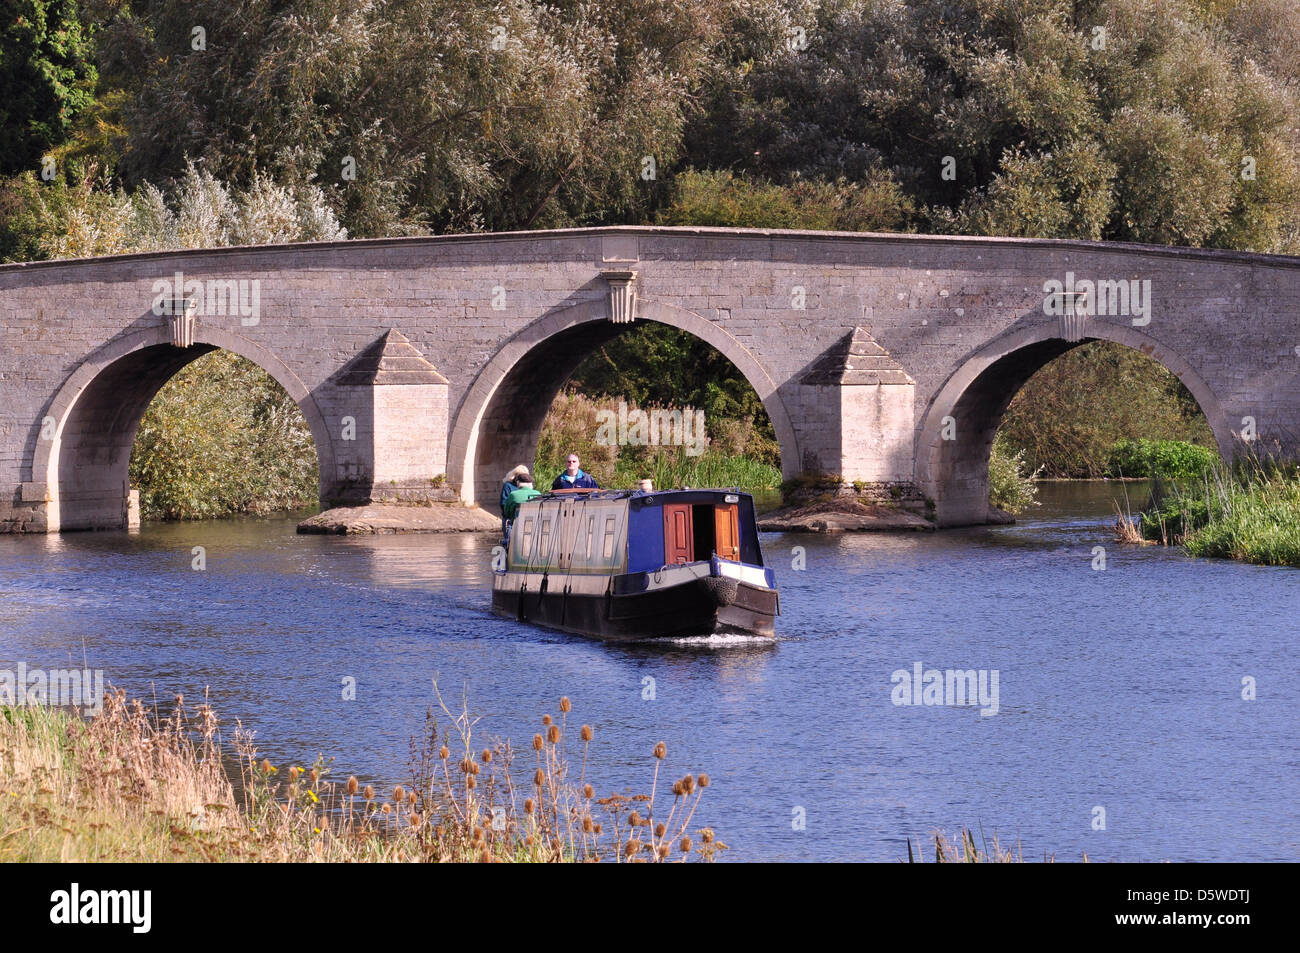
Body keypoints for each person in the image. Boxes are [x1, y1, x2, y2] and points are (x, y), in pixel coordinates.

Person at [500, 465, 531, 533]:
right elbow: (503, 503)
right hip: (510, 518)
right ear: (515, 475)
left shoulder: (527, 486)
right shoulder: (508, 486)